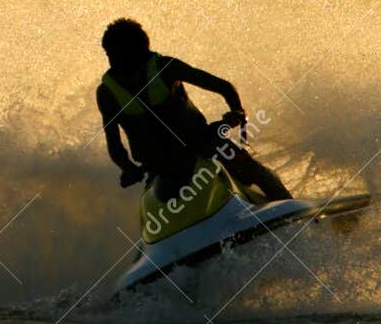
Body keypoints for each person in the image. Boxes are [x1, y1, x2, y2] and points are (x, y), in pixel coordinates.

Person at [95, 18, 292, 205]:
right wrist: (127, 168)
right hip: (160, 168)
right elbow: (114, 145)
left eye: (116, 55)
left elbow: (224, 87)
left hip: (205, 145)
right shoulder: (107, 93)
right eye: (108, 54)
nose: (111, 61)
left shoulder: (166, 67)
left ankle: (293, 208)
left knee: (252, 169)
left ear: (136, 52)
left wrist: (237, 112)